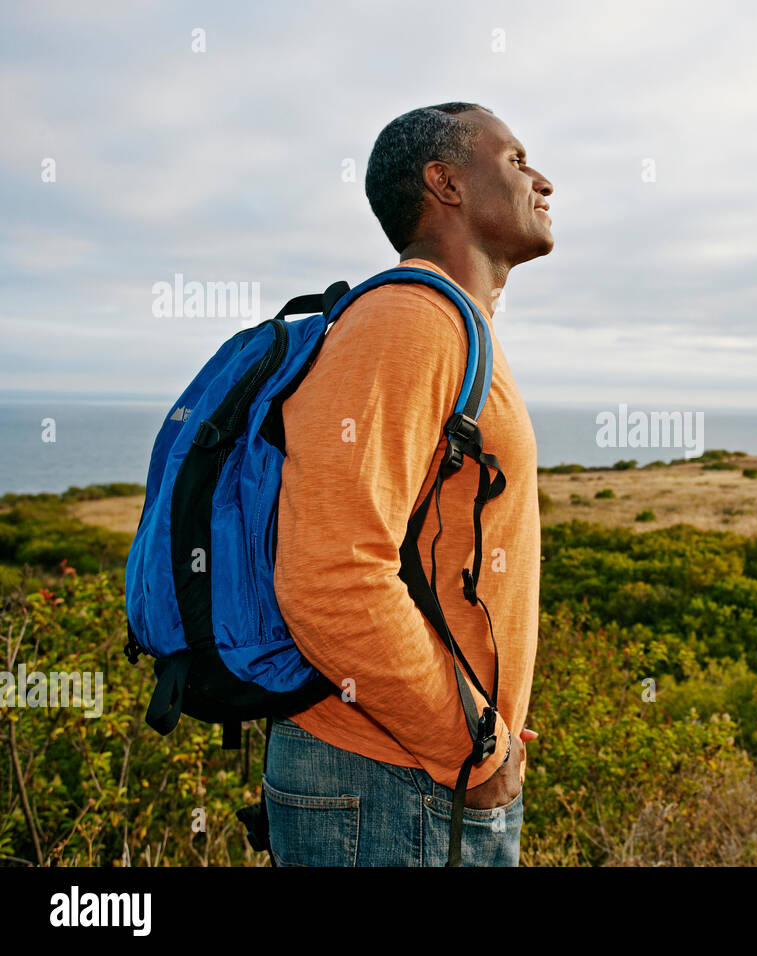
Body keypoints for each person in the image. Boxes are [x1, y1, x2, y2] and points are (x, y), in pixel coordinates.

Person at [264, 103, 553, 866]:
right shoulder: (408, 324)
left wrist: (486, 720)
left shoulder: (452, 325)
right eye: (517, 160)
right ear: (445, 181)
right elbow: (331, 578)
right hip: (392, 780)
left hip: (418, 773)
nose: (543, 180)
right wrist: (474, 744)